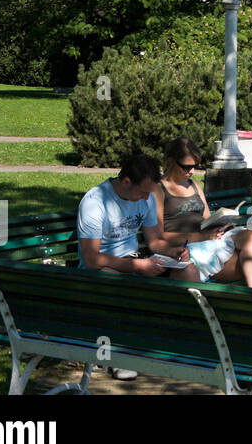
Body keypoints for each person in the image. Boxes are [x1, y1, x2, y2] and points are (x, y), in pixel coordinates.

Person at [77, 152, 199, 381]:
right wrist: (135, 266)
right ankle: (119, 357)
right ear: (126, 182)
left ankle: (185, 343)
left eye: (149, 193)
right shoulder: (95, 203)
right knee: (120, 282)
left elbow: (154, 241)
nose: (146, 198)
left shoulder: (146, 196)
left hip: (135, 258)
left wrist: (172, 251)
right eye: (143, 192)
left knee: (188, 270)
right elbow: (92, 259)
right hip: (101, 268)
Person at [153, 137, 252, 294]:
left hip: (210, 241)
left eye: (194, 166)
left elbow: (206, 219)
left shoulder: (194, 185)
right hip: (190, 247)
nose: (192, 171)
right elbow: (160, 236)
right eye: (186, 167)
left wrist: (221, 224)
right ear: (170, 161)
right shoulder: (158, 190)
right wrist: (201, 236)